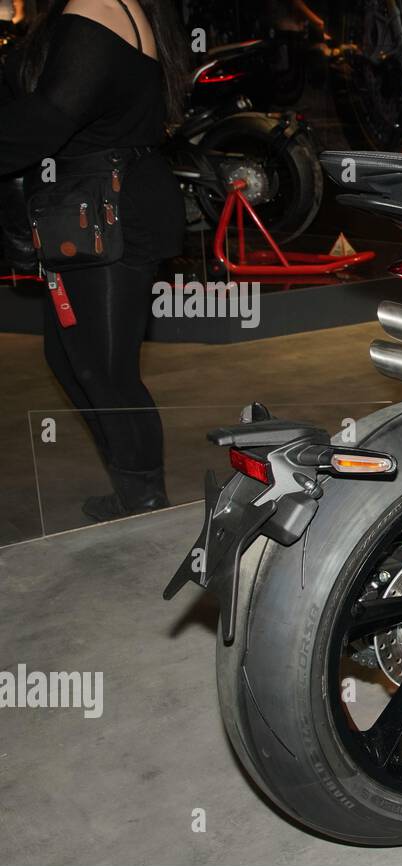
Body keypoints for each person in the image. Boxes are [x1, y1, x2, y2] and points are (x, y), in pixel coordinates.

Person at [0, 0, 186, 520]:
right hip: (83, 210)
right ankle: (132, 490)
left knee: (106, 370)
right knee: (72, 361)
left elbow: (50, 116)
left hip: (107, 210)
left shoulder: (98, 7)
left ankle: (148, 506)